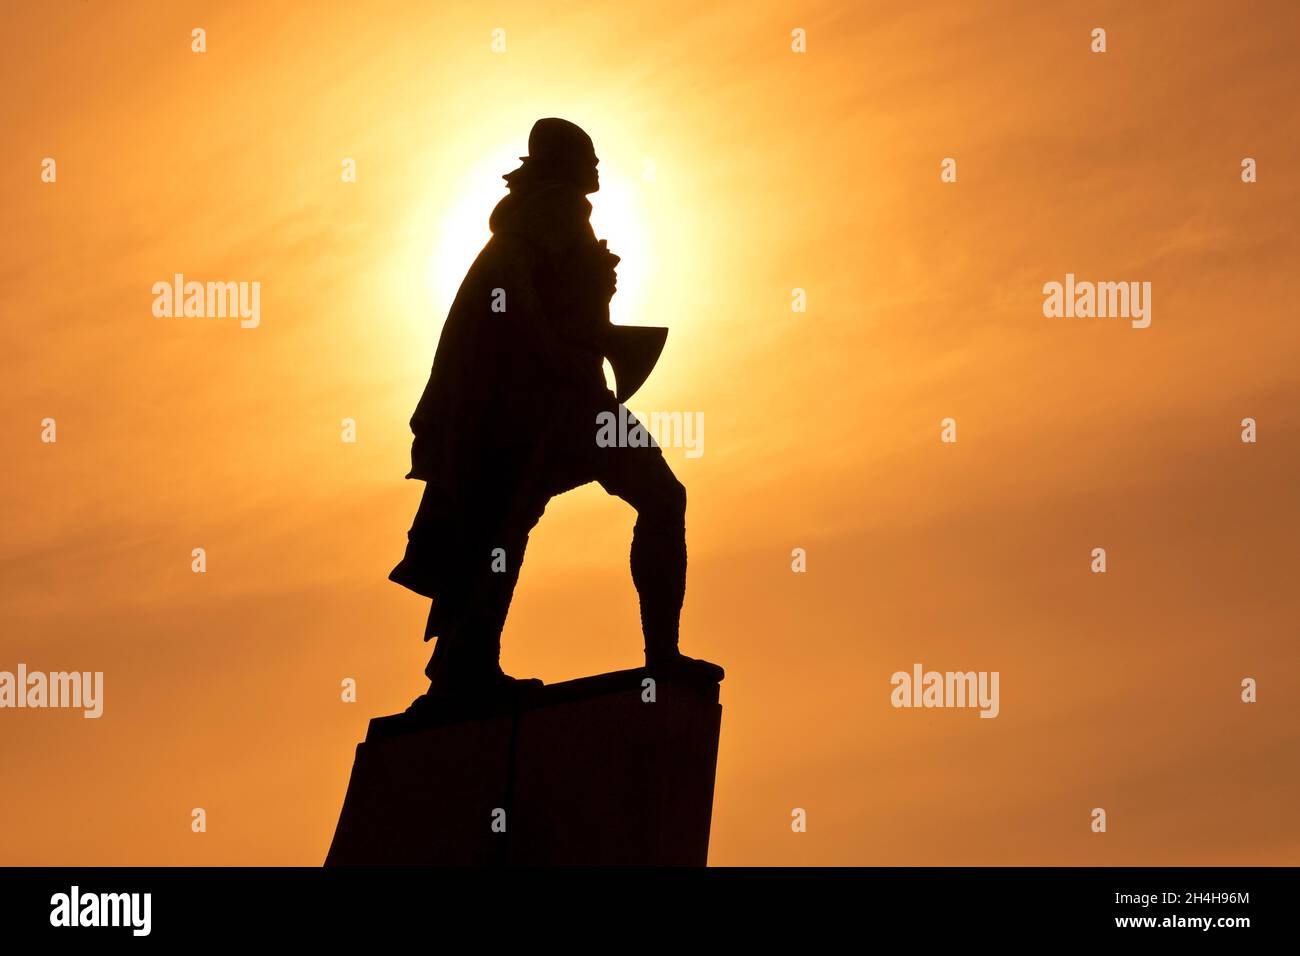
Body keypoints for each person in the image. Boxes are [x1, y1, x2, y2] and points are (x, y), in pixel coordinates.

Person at [390, 118, 723, 703]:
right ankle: (652, 657)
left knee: (502, 529)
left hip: (561, 396)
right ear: (565, 163)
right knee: (635, 502)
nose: (597, 168)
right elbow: (515, 285)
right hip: (549, 401)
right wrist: (549, 345)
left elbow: (537, 290)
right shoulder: (555, 208)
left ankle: (462, 669)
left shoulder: (543, 213)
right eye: (588, 157)